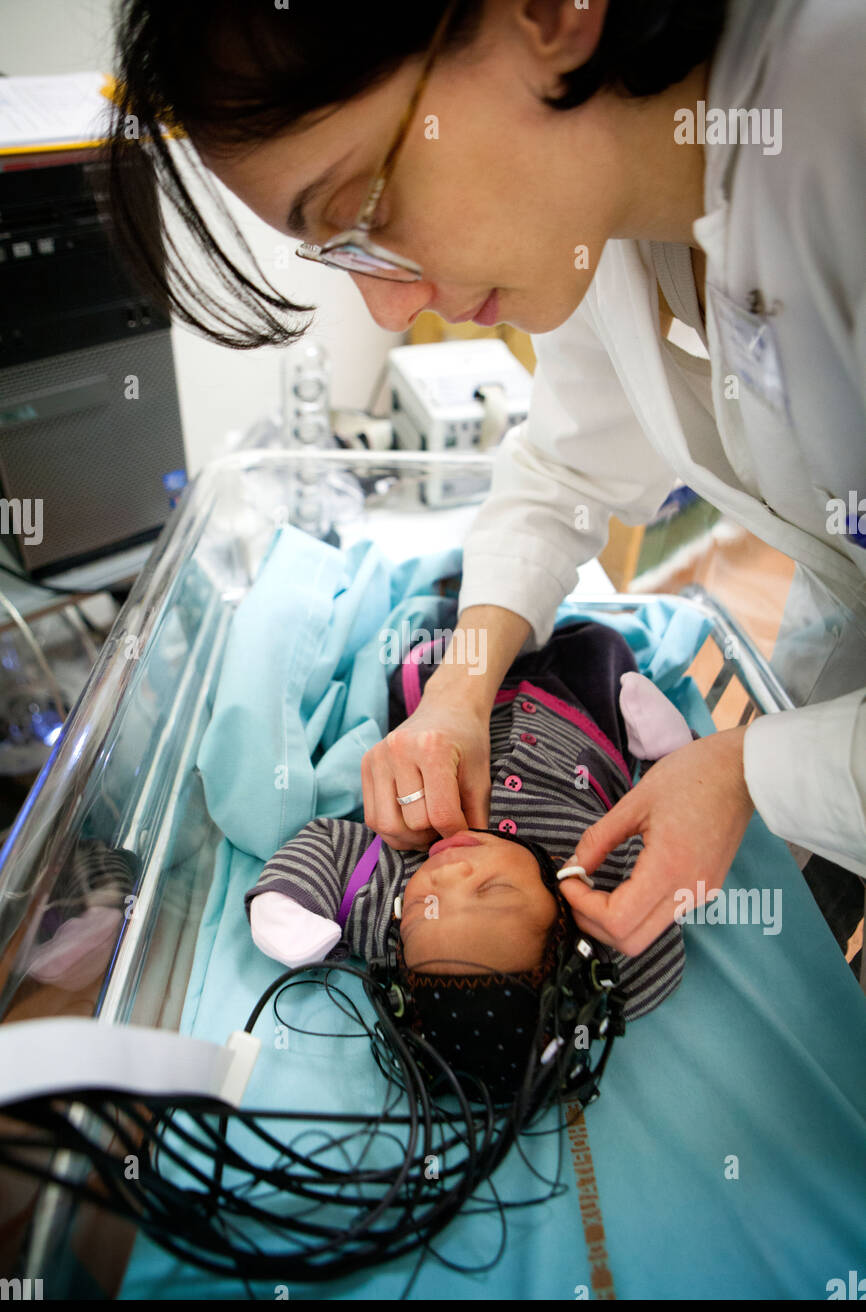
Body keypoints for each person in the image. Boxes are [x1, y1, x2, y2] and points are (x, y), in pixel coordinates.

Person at [107, 0, 866, 968]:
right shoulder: (611, 214)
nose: (387, 302)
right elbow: (563, 468)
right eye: (339, 249)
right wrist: (459, 686)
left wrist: (746, 770)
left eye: (366, 207)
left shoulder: (835, 133)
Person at [245, 620, 694, 1095]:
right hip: (579, 710)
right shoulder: (599, 894)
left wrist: (285, 902)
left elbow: (329, 845)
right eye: (492, 889)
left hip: (443, 710)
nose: (450, 873)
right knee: (601, 647)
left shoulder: (385, 909)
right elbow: (658, 927)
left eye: (422, 908)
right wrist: (678, 764)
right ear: (568, 933)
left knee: (421, 660)